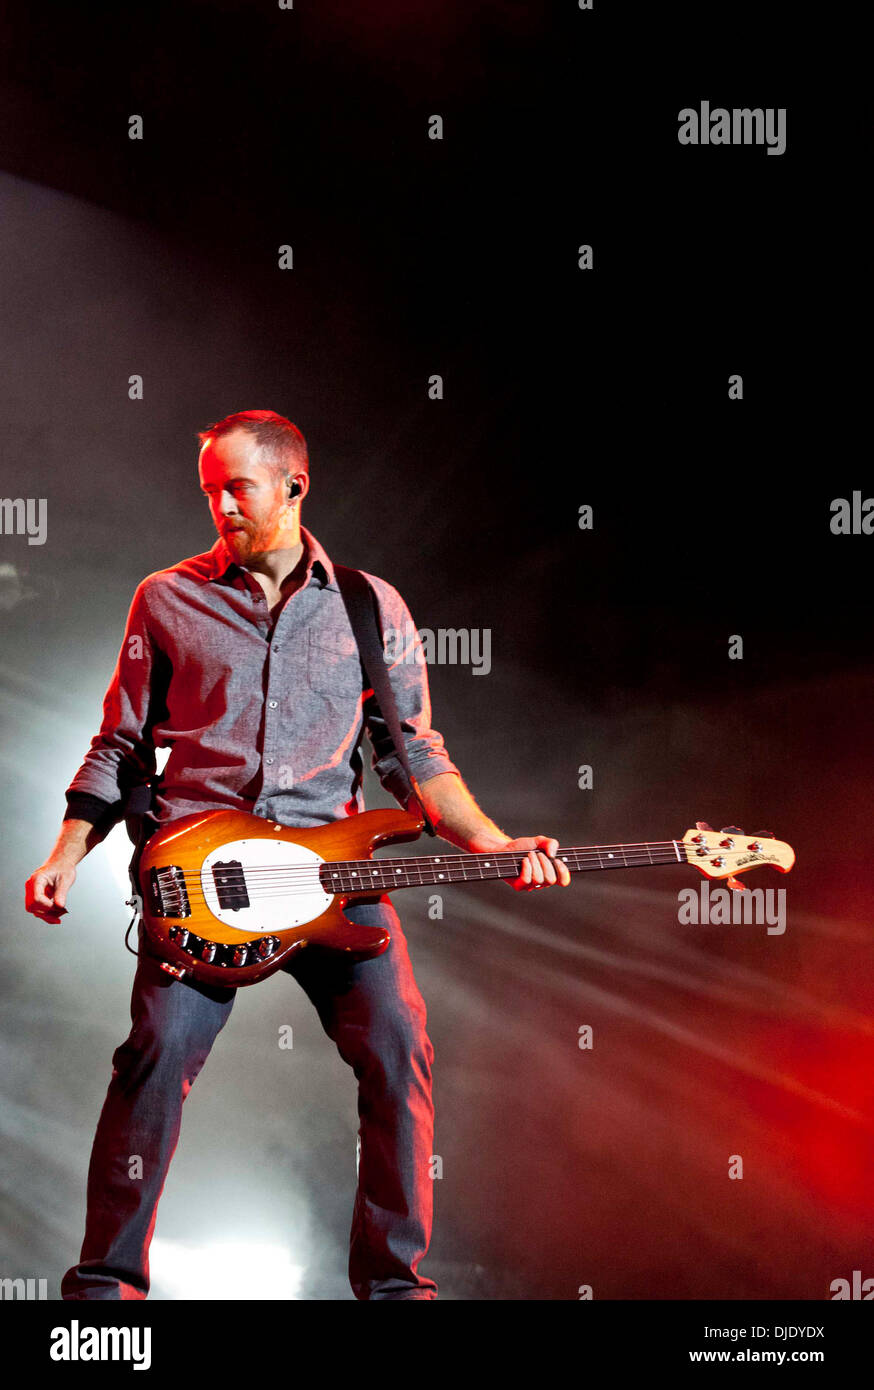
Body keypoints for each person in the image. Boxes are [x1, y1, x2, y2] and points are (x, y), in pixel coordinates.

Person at [24, 408, 570, 1301]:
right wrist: (67, 853)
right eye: (209, 491)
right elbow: (117, 743)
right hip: (203, 875)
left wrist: (496, 843)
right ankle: (105, 1293)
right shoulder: (164, 598)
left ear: (292, 486)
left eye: (236, 487)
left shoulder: (369, 604)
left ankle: (395, 1288)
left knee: (400, 1046)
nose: (220, 508)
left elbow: (414, 756)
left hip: (332, 874)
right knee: (155, 1055)